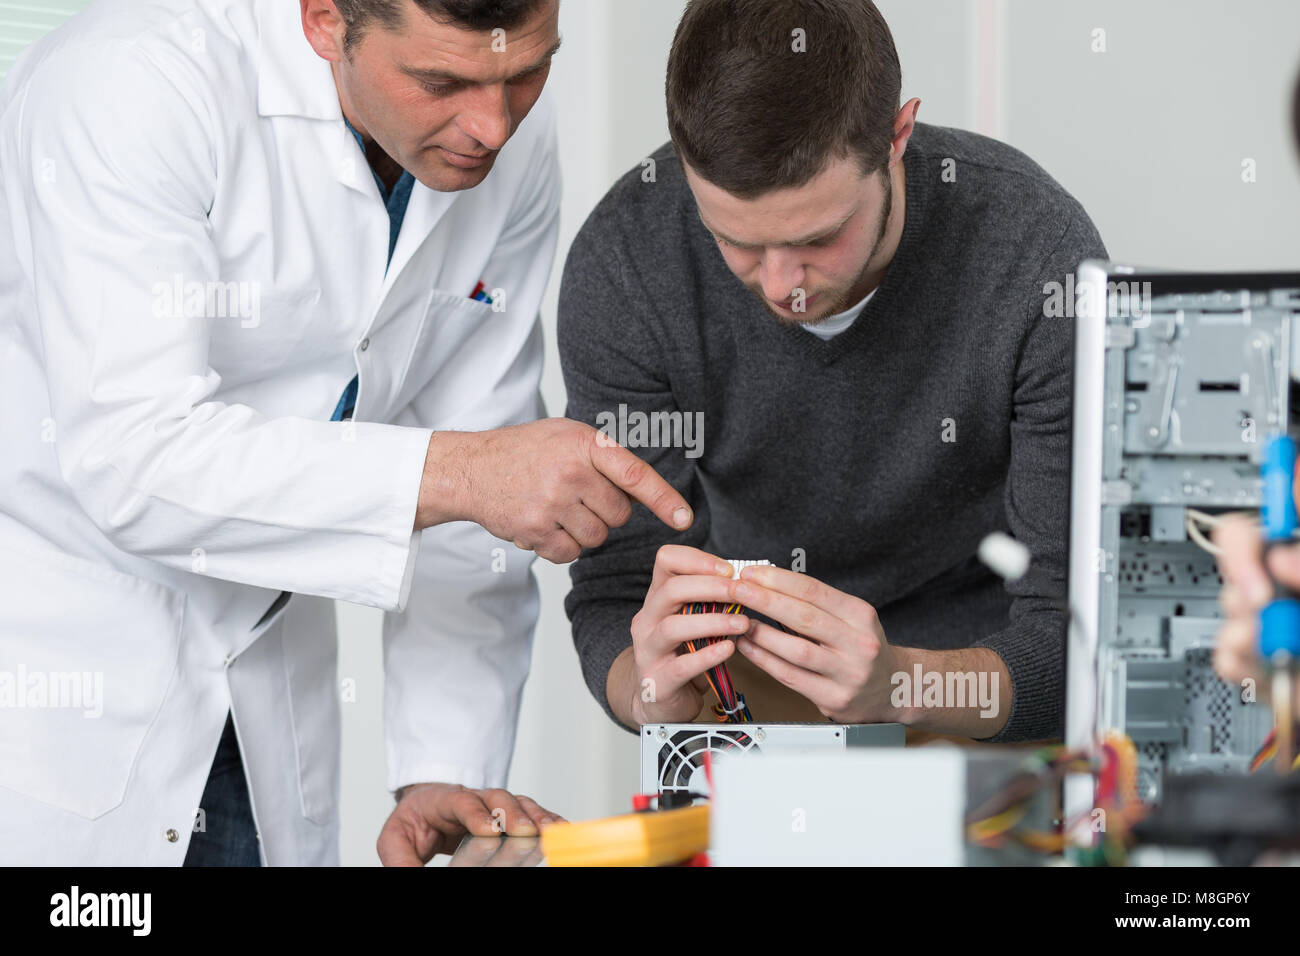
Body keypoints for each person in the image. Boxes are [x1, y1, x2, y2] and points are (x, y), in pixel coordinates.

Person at [0, 0, 691, 865]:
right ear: (324, 19)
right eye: (440, 81)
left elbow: (483, 485)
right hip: (63, 695)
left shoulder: (508, 129)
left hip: (268, 705)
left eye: (527, 71)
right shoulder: (131, 81)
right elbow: (133, 455)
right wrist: (460, 472)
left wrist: (444, 767)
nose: (492, 126)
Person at [559, 0, 1106, 743]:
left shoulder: (1037, 256)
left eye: (819, 236)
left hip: (984, 699)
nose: (784, 283)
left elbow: (1078, 632)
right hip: (756, 709)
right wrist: (648, 694)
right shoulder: (627, 264)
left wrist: (902, 685)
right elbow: (616, 589)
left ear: (897, 137)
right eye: (737, 242)